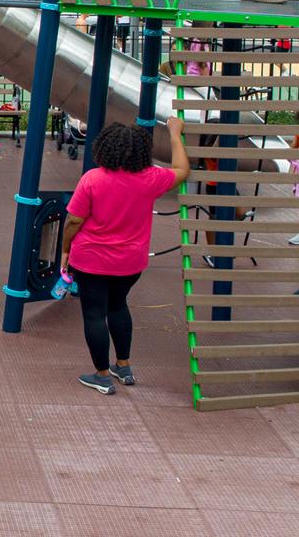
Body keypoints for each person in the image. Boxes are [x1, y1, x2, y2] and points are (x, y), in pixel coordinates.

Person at [58, 117, 191, 393]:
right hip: (130, 262)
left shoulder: (93, 179)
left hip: (92, 260)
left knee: (94, 314)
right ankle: (123, 365)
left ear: (104, 148)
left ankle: (101, 375)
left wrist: (66, 249)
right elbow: (182, 170)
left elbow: (74, 221)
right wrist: (175, 133)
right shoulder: (151, 178)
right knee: (118, 306)